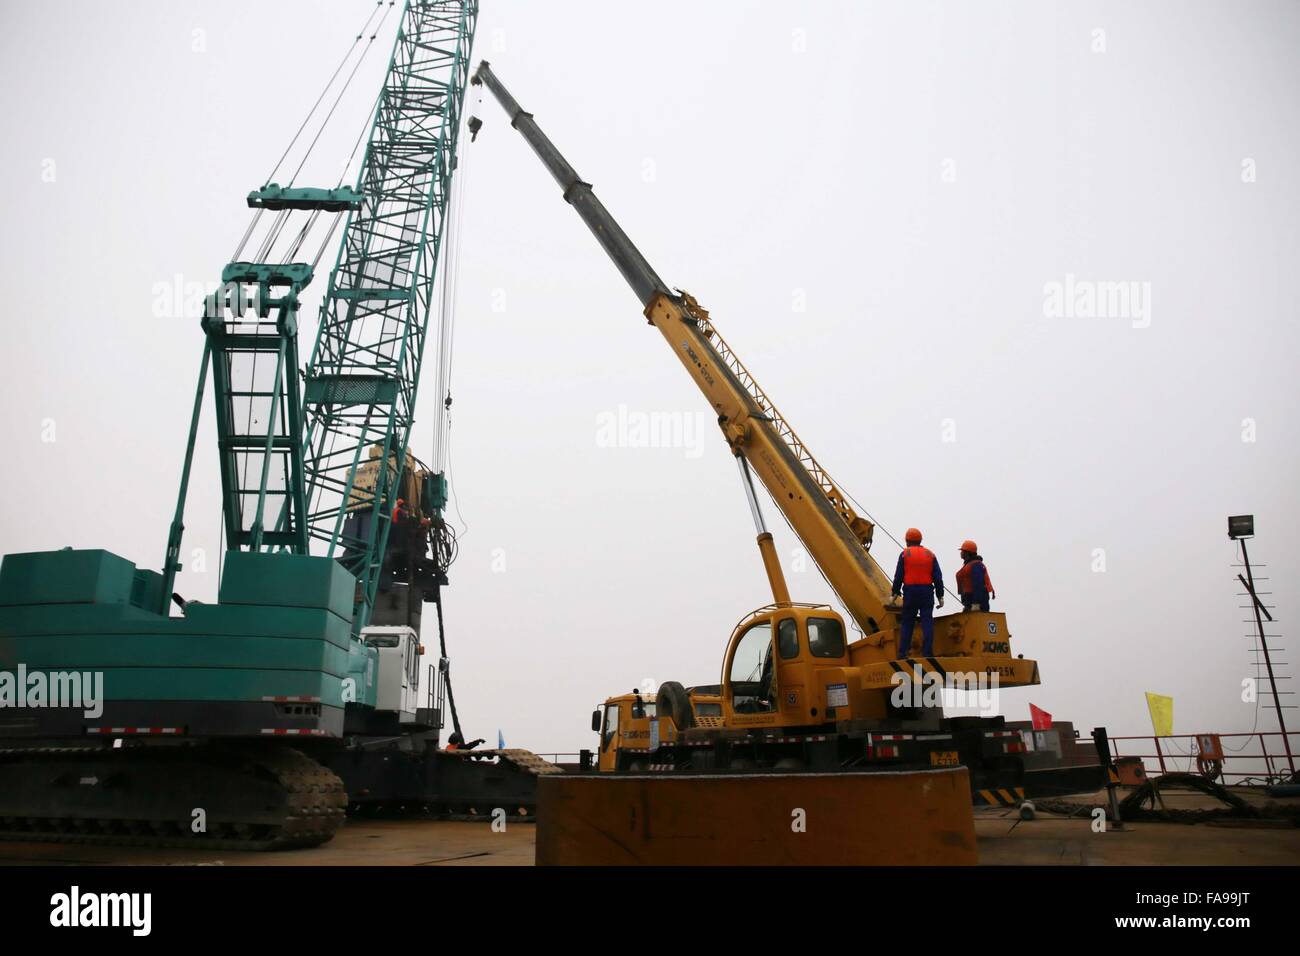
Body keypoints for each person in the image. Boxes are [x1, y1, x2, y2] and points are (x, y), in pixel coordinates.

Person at [890, 528, 944, 658]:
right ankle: (927, 652)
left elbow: (899, 576)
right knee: (927, 621)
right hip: (927, 592)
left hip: (911, 592)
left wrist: (895, 592)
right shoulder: (930, 554)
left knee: (907, 622)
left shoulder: (905, 554)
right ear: (920, 540)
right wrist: (940, 595)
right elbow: (937, 577)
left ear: (907, 540)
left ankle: (903, 653)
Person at [956, 540, 995, 612]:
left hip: (978, 602)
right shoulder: (969, 565)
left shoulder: (976, 565)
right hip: (969, 602)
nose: (961, 553)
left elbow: (978, 584)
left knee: (981, 621)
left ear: (967, 552)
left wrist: (976, 603)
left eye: (962, 551)